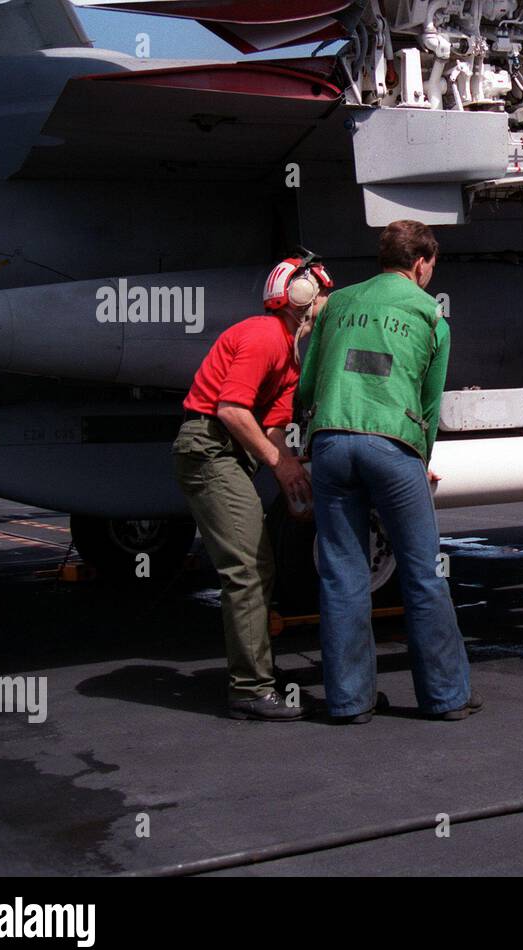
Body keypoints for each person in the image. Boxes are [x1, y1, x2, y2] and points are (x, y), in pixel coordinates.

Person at [297, 220, 477, 724]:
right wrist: (420, 459)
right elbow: (429, 401)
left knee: (342, 575)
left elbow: (307, 385)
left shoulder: (336, 304)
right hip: (392, 447)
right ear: (420, 263)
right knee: (422, 574)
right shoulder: (431, 316)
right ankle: (445, 697)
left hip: (331, 443)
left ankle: (349, 702)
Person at [173, 253, 333, 720]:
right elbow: (232, 411)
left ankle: (257, 673)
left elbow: (273, 429)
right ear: (300, 296)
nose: (327, 301)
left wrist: (289, 475)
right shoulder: (264, 337)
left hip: (228, 452)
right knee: (247, 567)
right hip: (208, 448)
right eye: (322, 293)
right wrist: (281, 468)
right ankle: (249, 689)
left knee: (259, 564)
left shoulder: (290, 355)